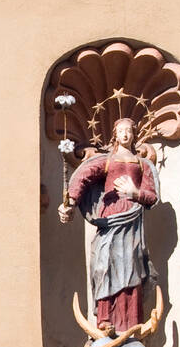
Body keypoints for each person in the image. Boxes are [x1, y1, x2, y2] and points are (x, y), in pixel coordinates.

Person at [57, 118, 159, 334]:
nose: (125, 135)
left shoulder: (143, 165)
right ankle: (104, 320)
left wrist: (135, 193)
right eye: (120, 131)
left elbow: (152, 197)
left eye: (129, 131)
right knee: (103, 265)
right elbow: (82, 177)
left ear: (134, 134)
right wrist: (70, 203)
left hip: (131, 223)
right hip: (109, 221)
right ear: (114, 134)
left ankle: (132, 323)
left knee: (131, 268)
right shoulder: (106, 161)